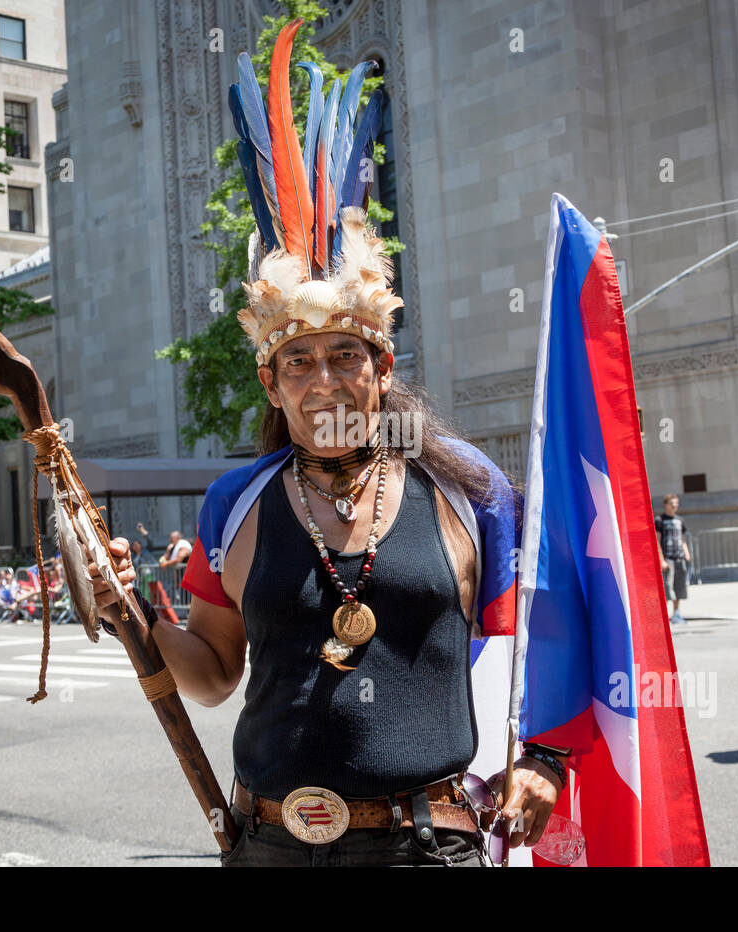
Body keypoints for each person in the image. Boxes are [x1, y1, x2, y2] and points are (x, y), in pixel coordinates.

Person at [87, 61, 561, 862]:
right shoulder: (233, 502)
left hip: (427, 846)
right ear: (271, 385)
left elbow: (526, 655)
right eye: (299, 363)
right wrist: (131, 611)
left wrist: (543, 756)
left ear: (382, 368)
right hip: (269, 842)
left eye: (347, 354)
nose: (326, 381)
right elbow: (209, 676)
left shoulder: (467, 488)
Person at [656, 494, 692, 624]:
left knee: (679, 586)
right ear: (666, 505)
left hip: (679, 557)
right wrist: (662, 560)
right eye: (672, 503)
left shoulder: (680, 520)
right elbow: (657, 541)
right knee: (667, 586)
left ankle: (676, 613)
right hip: (668, 558)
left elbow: (682, 539)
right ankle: (664, 616)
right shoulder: (660, 520)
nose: (674, 506)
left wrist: (687, 553)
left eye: (676, 503)